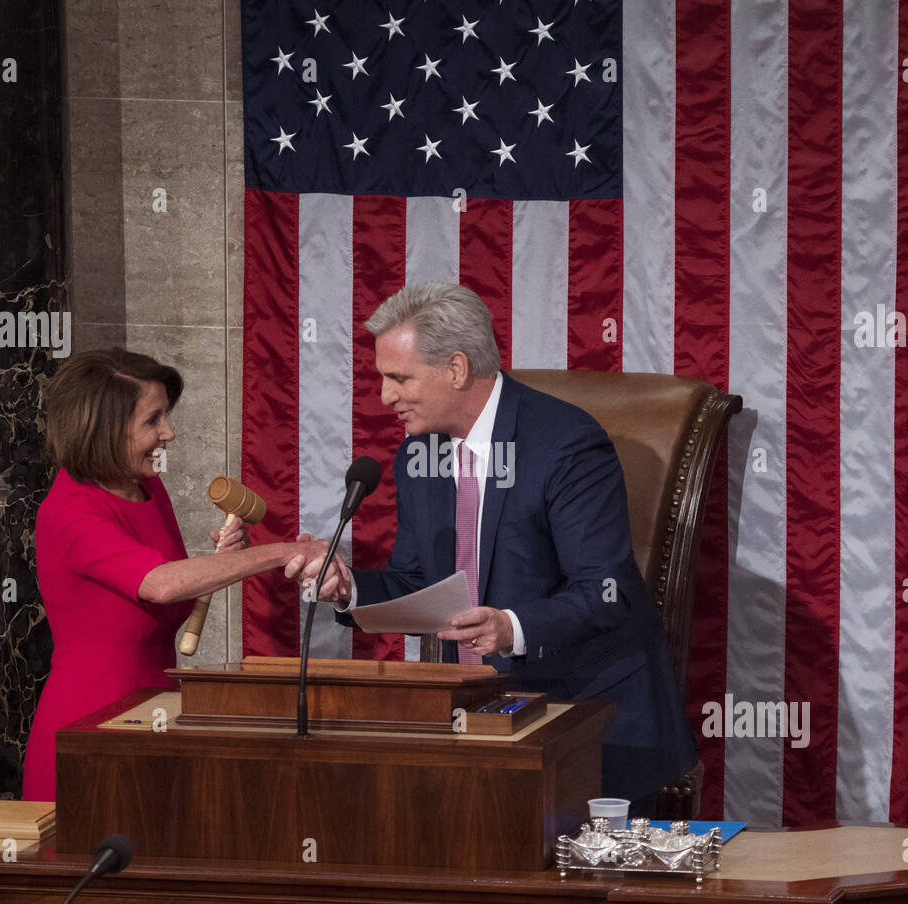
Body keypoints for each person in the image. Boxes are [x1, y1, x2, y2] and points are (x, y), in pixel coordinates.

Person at [288, 283, 698, 804]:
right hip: (475, 722)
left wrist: (511, 627)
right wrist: (348, 589)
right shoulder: (420, 456)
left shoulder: (566, 443)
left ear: (456, 369)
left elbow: (605, 592)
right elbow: (417, 583)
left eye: (398, 378)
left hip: (588, 721)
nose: (385, 395)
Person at [23, 348, 323, 801]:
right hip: (91, 721)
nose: (169, 433)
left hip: (155, 706)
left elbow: (169, 579)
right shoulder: (70, 510)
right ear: (104, 427)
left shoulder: (147, 488)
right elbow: (161, 584)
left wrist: (220, 563)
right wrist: (283, 552)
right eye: (153, 420)